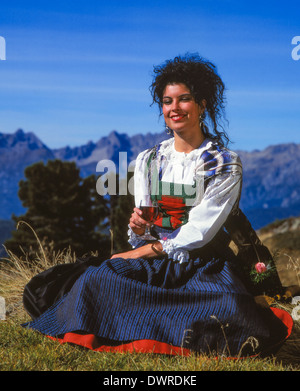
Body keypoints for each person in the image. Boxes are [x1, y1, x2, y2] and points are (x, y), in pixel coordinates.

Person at [22, 53, 293, 357]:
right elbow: (147, 226)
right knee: (98, 279)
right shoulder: (149, 160)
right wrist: (140, 229)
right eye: (167, 101)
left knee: (228, 306)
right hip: (158, 259)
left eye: (184, 99)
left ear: (202, 105)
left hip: (205, 265)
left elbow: (201, 231)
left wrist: (142, 250)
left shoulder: (224, 164)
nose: (174, 108)